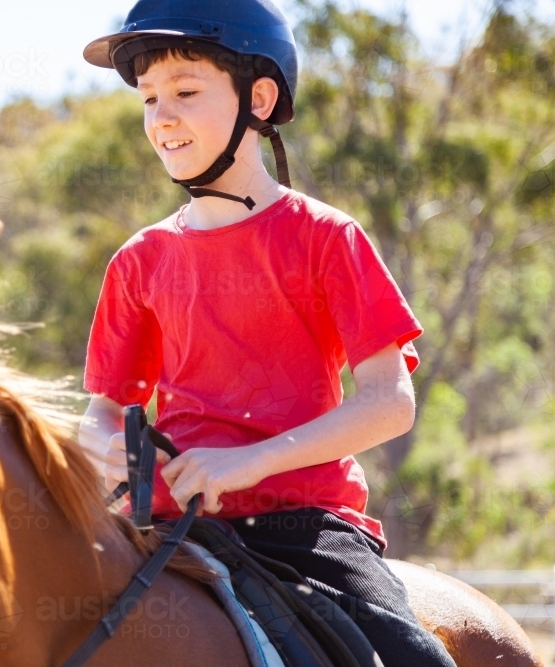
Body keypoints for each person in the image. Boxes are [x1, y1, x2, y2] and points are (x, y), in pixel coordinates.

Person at [77, 2, 456, 666]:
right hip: (169, 526)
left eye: (186, 92)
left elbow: (390, 401)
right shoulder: (139, 260)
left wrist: (247, 461)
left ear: (259, 97)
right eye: (149, 99)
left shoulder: (325, 237)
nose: (161, 117)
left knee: (408, 654)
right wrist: (109, 451)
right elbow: (103, 412)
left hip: (306, 527)